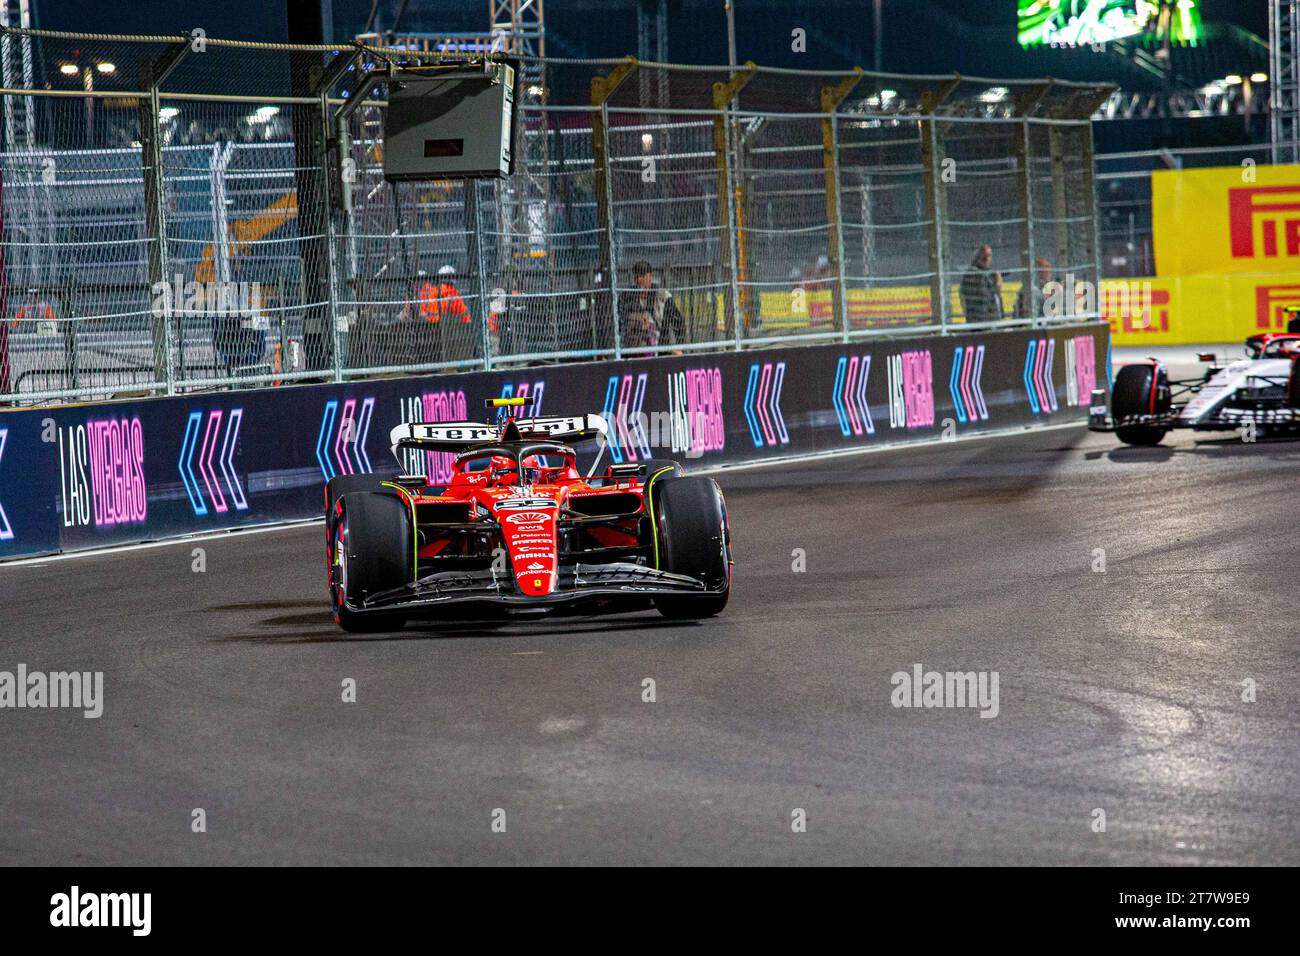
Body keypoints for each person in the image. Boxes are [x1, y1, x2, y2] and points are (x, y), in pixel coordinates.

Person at [405, 264, 472, 364]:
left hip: (432, 327)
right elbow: (462, 312)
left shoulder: (434, 292)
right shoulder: (452, 293)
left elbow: (424, 311)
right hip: (451, 328)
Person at [620, 261, 685, 350]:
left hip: (659, 348)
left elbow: (678, 321)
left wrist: (680, 347)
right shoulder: (626, 296)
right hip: (633, 349)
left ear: (650, 277)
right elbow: (619, 321)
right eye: (637, 276)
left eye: (642, 276)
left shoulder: (662, 296)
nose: (639, 280)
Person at [959, 244, 1003, 324]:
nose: (987, 259)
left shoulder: (989, 273)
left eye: (989, 256)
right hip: (982, 320)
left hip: (987, 319)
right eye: (985, 257)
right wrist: (997, 284)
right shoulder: (975, 274)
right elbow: (985, 297)